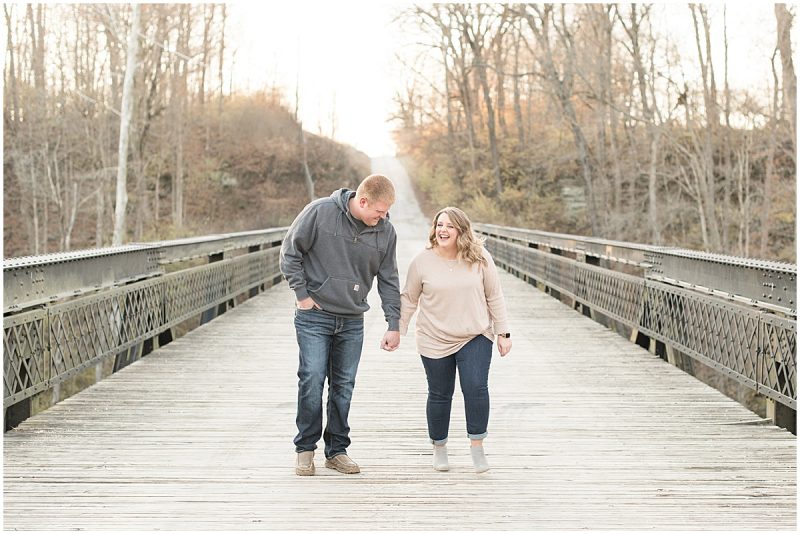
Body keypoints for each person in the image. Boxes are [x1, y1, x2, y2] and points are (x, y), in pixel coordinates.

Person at [280, 174, 401, 476]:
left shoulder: (386, 232)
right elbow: (289, 253)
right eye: (380, 211)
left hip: (352, 319)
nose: (383, 217)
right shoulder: (320, 212)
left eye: (386, 212)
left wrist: (393, 322)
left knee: (343, 386)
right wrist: (302, 295)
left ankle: (336, 451)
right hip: (314, 316)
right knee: (312, 379)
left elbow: (388, 279)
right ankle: (305, 449)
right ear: (362, 201)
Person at [400, 206, 511, 473]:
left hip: (475, 333)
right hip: (433, 337)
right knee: (439, 394)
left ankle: (477, 447)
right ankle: (439, 448)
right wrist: (397, 330)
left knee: (475, 388)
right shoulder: (422, 262)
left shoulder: (480, 257)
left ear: (461, 230)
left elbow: (494, 295)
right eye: (440, 225)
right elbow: (409, 298)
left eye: (450, 226)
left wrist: (503, 332)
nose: (443, 230)